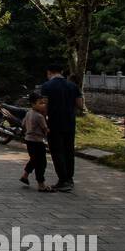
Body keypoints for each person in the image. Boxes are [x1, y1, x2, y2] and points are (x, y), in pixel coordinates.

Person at [41, 64, 83, 192]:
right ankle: (69, 179)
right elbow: (80, 105)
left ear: (49, 72)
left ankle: (63, 180)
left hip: (54, 123)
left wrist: (43, 121)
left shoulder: (47, 86)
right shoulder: (73, 86)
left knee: (57, 151)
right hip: (70, 122)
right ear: (62, 72)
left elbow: (44, 107)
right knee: (69, 150)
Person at [20, 91, 49, 191]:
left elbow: (23, 124)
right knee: (41, 163)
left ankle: (25, 175)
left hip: (29, 141)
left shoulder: (28, 113)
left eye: (44, 103)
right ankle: (41, 184)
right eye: (40, 103)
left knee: (34, 159)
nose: (43, 105)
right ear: (33, 104)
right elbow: (46, 130)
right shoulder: (40, 116)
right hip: (37, 142)